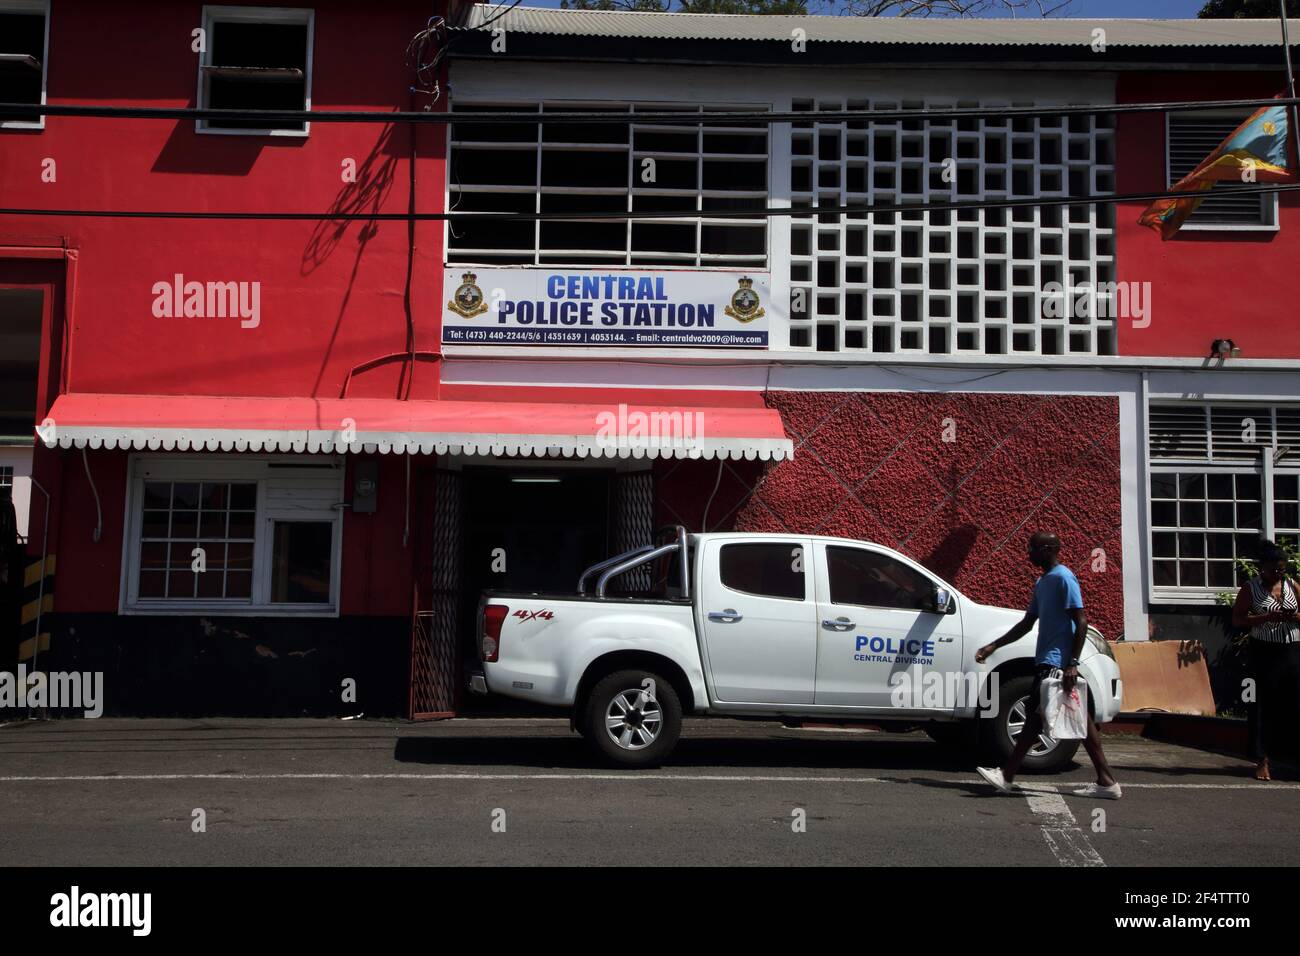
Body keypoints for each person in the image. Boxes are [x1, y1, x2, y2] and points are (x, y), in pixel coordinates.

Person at [974, 531, 1121, 799]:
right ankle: (1106, 780)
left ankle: (1006, 775)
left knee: (1035, 717)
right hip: (1047, 660)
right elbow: (1027, 623)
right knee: (1079, 721)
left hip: (1057, 663)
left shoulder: (1064, 578)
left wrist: (1072, 664)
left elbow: (1082, 621)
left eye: (1031, 548)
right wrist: (994, 646)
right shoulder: (1043, 583)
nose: (1027, 553)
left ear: (1046, 549)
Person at [1231, 539, 1300, 781]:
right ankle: (1262, 760)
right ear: (1262, 568)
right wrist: (1264, 618)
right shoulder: (1251, 589)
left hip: (1291, 651)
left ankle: (1290, 758)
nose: (1278, 573)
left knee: (1292, 705)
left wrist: (1293, 616)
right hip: (1264, 651)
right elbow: (1238, 619)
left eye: (1281, 569)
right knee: (1261, 707)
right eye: (1273, 569)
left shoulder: (1292, 585)